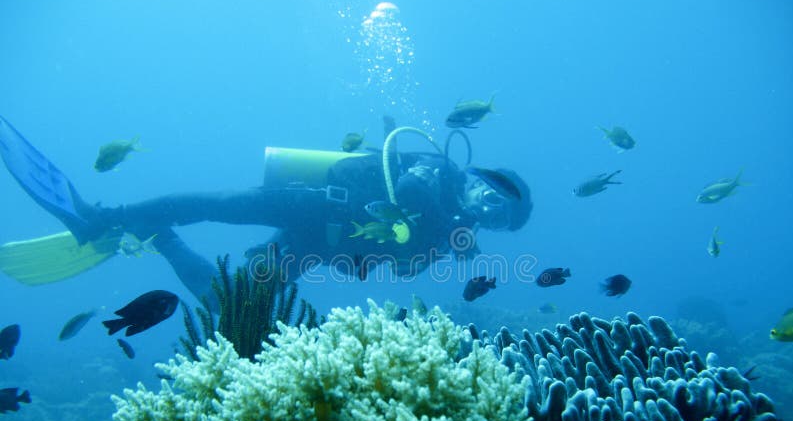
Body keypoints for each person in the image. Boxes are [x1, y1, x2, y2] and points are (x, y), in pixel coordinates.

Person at [0, 115, 532, 301]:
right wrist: (429, 216)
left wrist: (432, 251)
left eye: (503, 219)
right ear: (482, 178)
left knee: (229, 305)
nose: (491, 210)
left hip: (314, 248)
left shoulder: (452, 237)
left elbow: (396, 262)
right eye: (496, 196)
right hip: (313, 204)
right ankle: (102, 217)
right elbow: (392, 187)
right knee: (215, 205)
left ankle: (160, 236)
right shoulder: (436, 170)